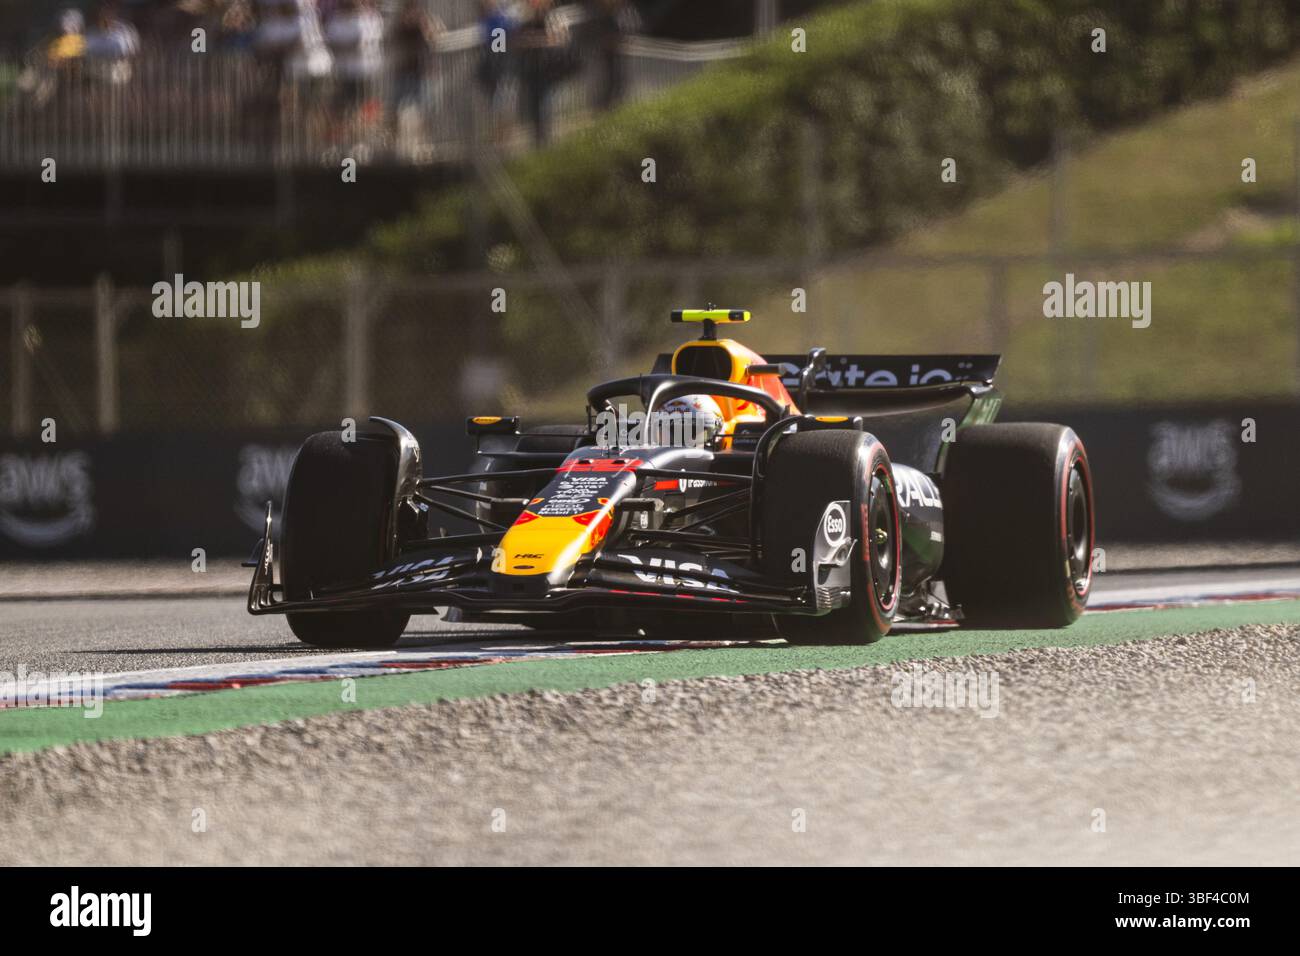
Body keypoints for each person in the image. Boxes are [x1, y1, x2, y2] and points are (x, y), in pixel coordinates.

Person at [515, 0, 568, 147]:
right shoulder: (525, 20)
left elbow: (559, 38)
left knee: (545, 104)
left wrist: (536, 41)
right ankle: (538, 140)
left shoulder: (553, 18)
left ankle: (546, 139)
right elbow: (518, 41)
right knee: (533, 106)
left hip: (548, 69)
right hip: (531, 70)